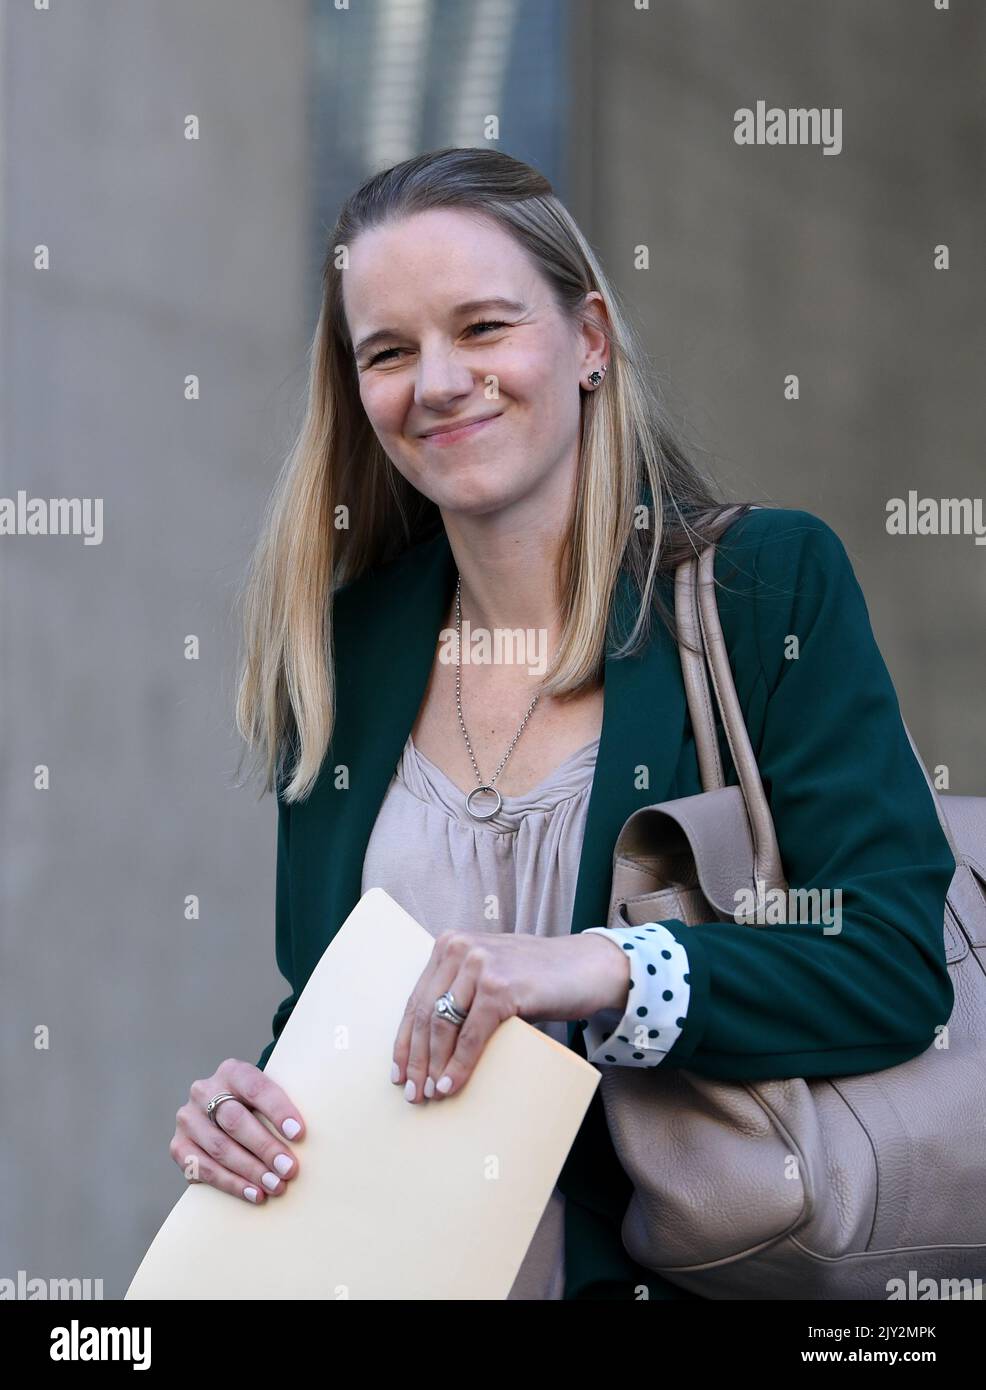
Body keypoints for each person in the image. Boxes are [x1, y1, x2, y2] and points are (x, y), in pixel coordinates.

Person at [169, 146, 956, 1300]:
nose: (435, 381)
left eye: (481, 327)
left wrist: (597, 967)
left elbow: (888, 963)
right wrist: (254, 1107)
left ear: (587, 340)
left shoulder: (762, 589)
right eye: (387, 350)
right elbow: (337, 1005)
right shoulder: (341, 652)